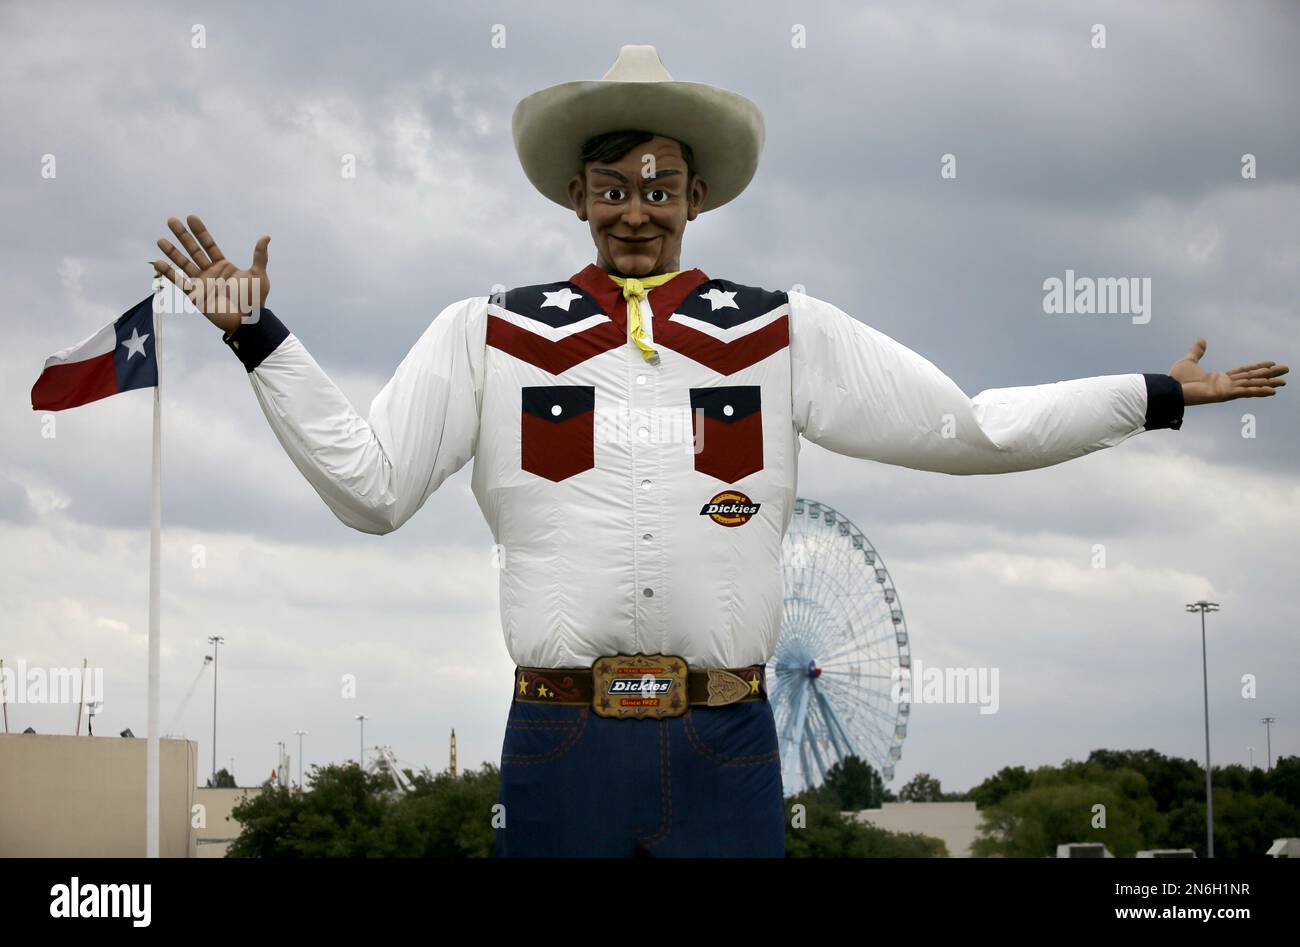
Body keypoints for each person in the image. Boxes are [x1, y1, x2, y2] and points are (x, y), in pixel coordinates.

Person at [151, 45, 1288, 857]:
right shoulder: (486, 331)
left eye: (657, 186)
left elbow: (968, 428)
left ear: (697, 194)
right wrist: (255, 331)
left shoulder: (779, 329)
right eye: (611, 188)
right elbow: (371, 487)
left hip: (728, 743)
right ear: (573, 196)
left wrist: (1147, 393)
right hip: (557, 738)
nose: (634, 211)